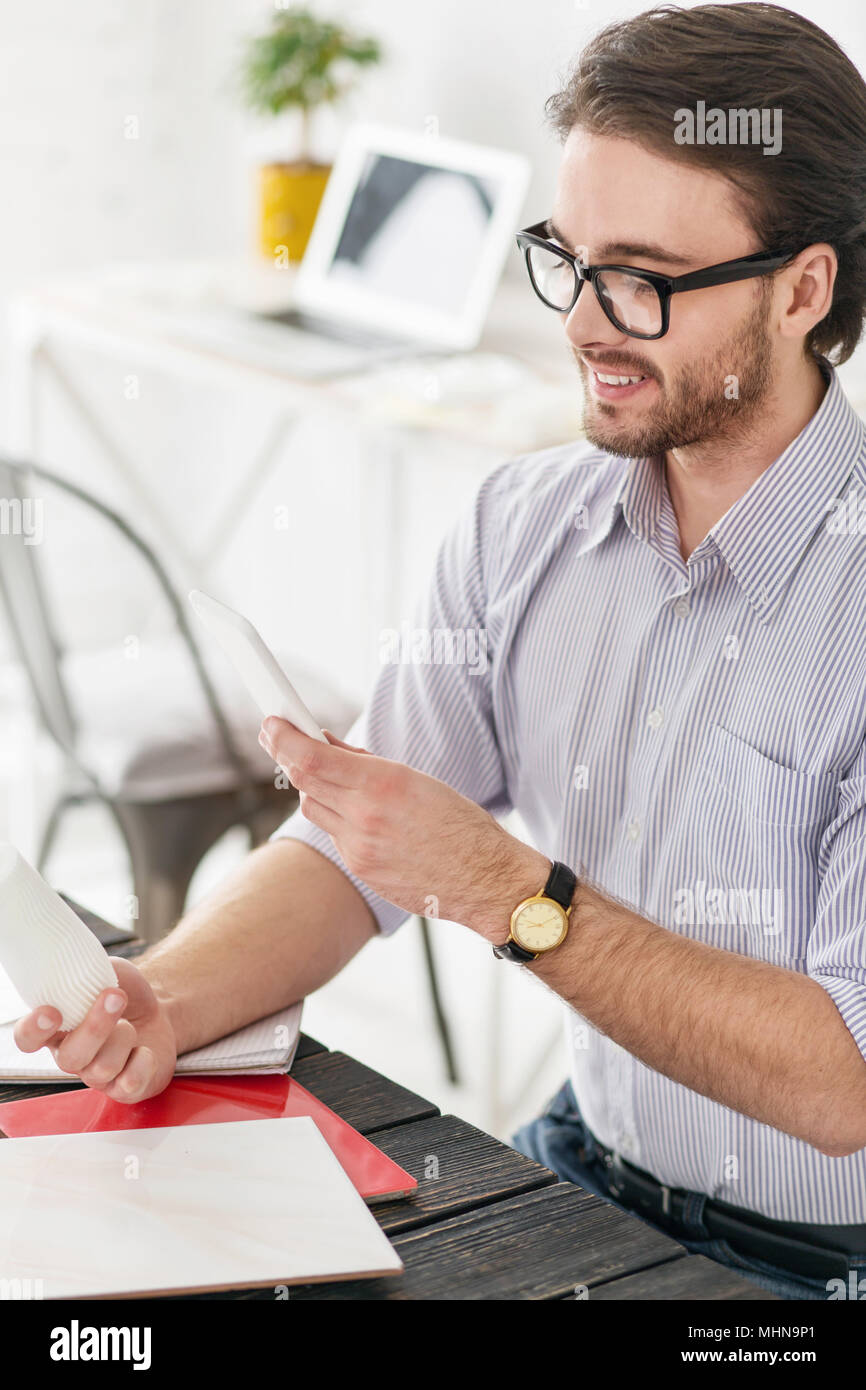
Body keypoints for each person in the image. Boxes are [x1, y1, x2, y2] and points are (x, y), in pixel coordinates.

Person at [15, 2, 866, 1299]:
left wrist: (502, 888)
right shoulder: (525, 524)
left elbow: (840, 1079)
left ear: (802, 287)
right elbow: (357, 846)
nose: (583, 324)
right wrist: (165, 998)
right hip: (582, 1166)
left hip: (820, 1262)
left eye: (639, 278)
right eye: (565, 260)